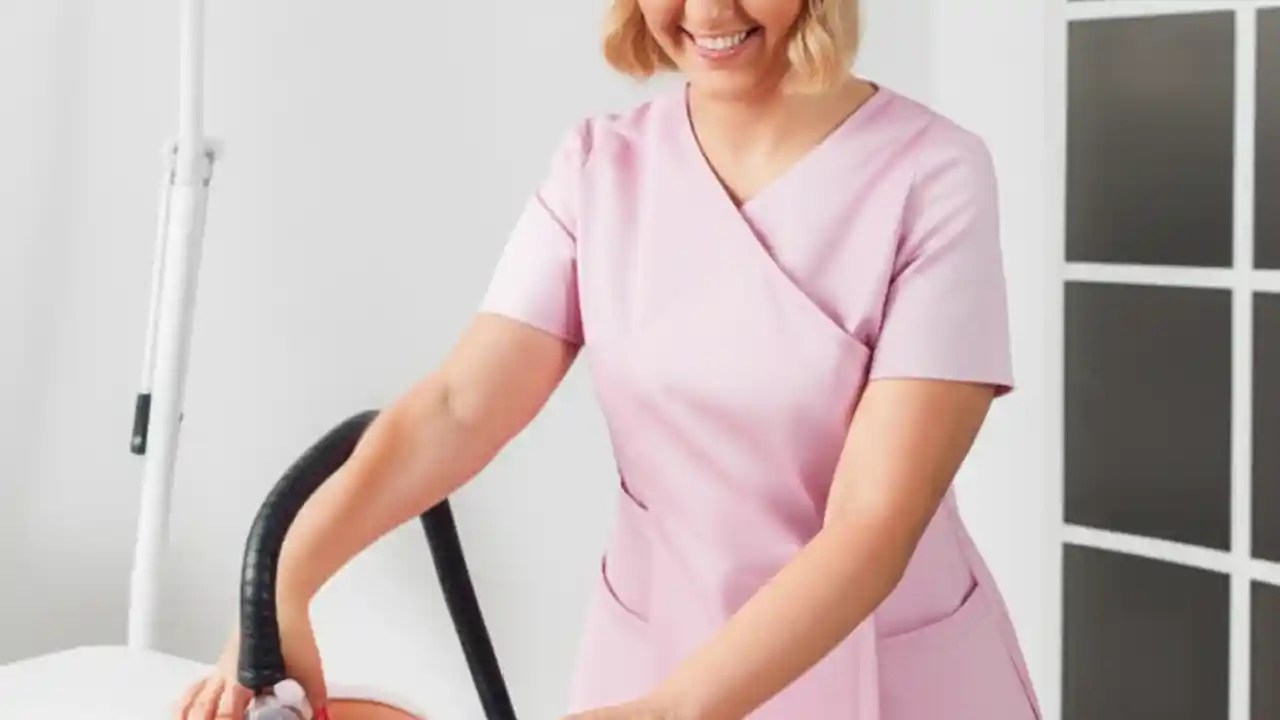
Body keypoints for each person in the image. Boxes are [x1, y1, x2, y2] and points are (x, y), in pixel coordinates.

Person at [175, 0, 1044, 718]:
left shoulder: (933, 176)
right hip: (656, 655)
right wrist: (283, 588)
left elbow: (872, 525)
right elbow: (457, 408)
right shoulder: (601, 167)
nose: (707, 12)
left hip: (877, 671)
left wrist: (673, 711)